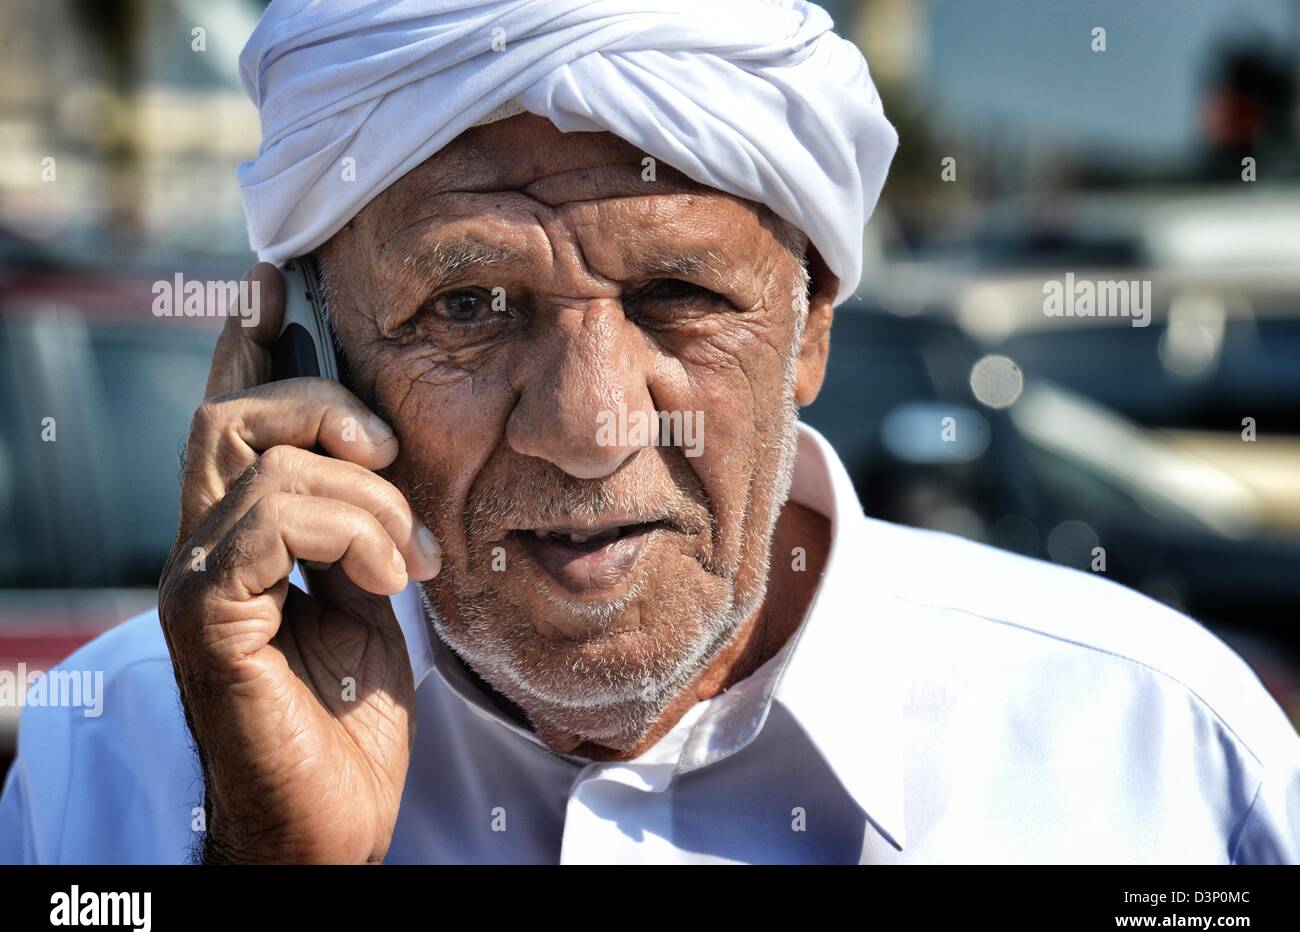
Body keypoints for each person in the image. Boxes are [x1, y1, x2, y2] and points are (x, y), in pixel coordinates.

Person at [1, 0, 1297, 864]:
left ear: (809, 332)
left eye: (679, 296)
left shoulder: (1163, 750)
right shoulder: (115, 752)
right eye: (470, 307)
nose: (590, 425)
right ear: (309, 358)